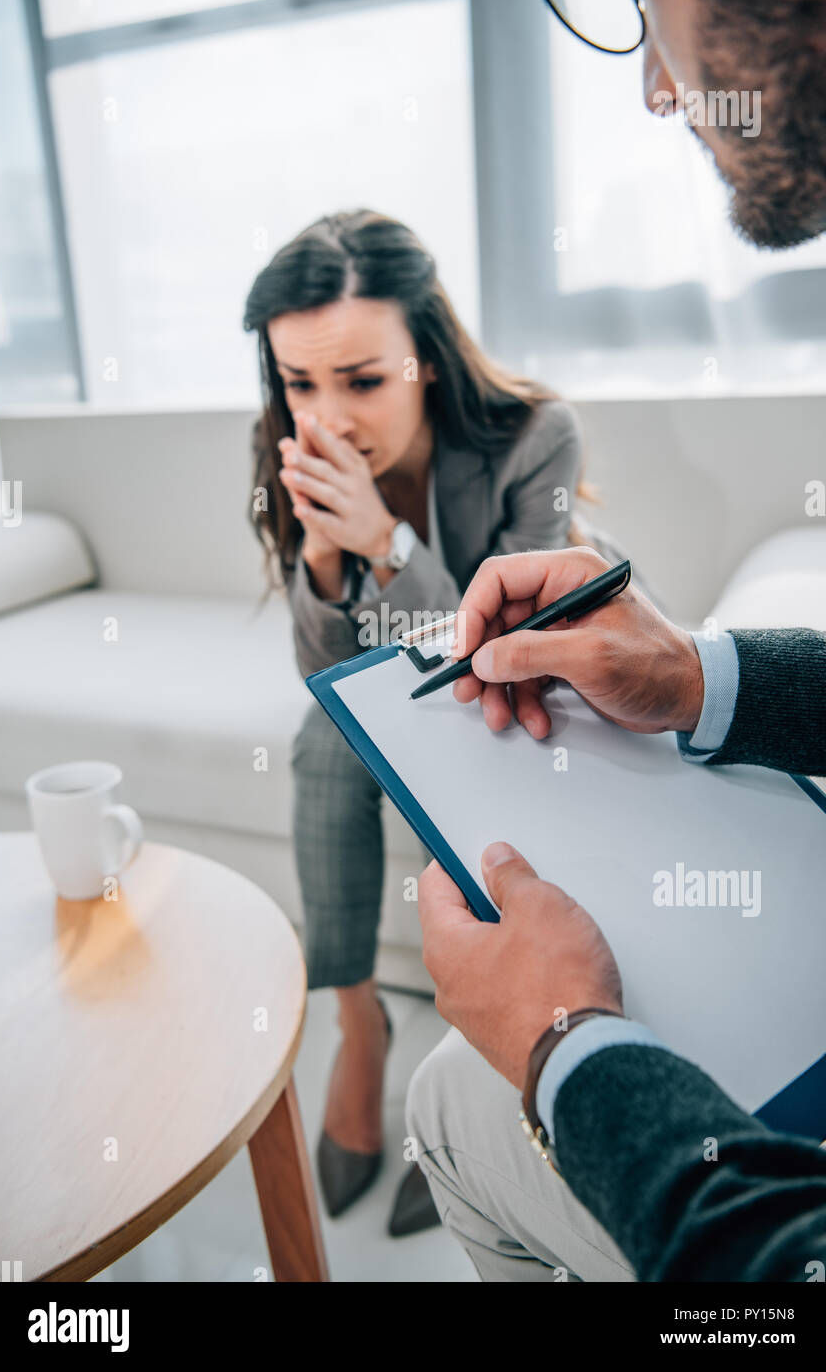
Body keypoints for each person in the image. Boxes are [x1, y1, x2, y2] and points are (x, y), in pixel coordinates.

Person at [408, 0, 826, 1281]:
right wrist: (695, 671)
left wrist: (565, 1047)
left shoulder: (524, 427)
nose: (657, 85)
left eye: (643, 1)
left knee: (459, 1090)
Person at [243, 209, 631, 1231]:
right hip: (430, 684)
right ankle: (357, 1020)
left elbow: (500, 664)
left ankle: (483, 1060)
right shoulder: (291, 451)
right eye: (298, 382)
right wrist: (326, 563)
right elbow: (331, 680)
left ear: (427, 354)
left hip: (545, 690)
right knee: (324, 738)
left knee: (455, 753)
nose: (328, 417)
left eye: (364, 380)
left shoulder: (533, 437)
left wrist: (386, 541)